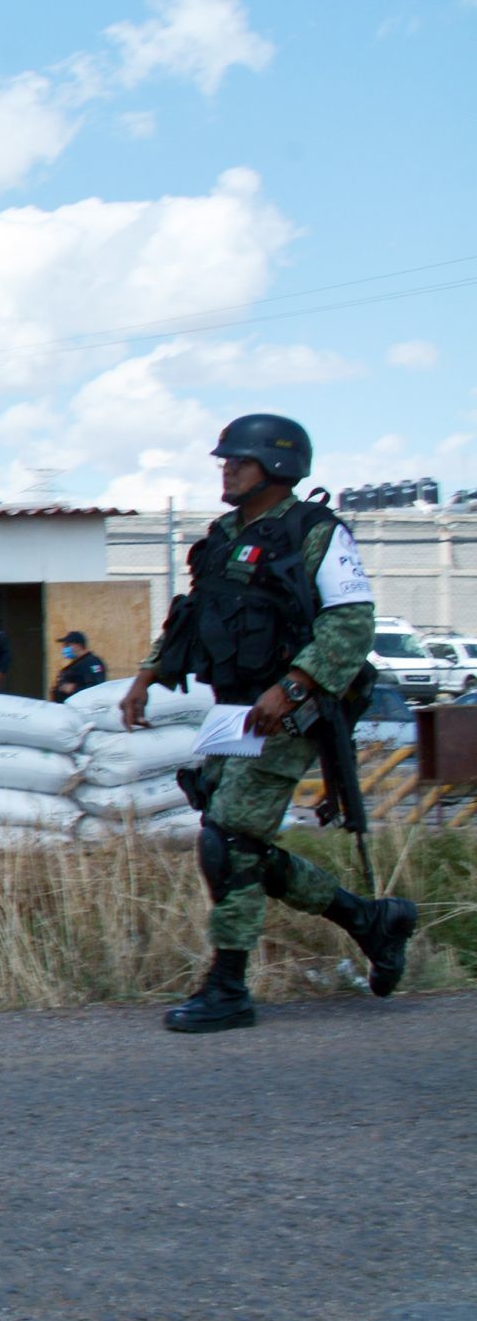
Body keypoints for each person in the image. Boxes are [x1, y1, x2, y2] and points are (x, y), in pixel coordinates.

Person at [120, 412, 416, 1034]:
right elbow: (189, 615)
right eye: (226, 459)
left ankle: (228, 988)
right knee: (233, 843)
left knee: (227, 837)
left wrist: (294, 685)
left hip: (292, 710)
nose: (226, 468)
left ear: (278, 466)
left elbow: (351, 625)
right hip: (234, 709)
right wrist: (147, 676)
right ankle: (369, 920)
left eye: (240, 459)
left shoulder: (317, 532)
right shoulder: (223, 535)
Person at [50, 631, 107, 703]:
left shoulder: (92, 662)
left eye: (67, 645)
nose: (64, 649)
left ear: (78, 645)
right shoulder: (76, 664)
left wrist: (73, 689)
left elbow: (96, 688)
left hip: (81, 710)